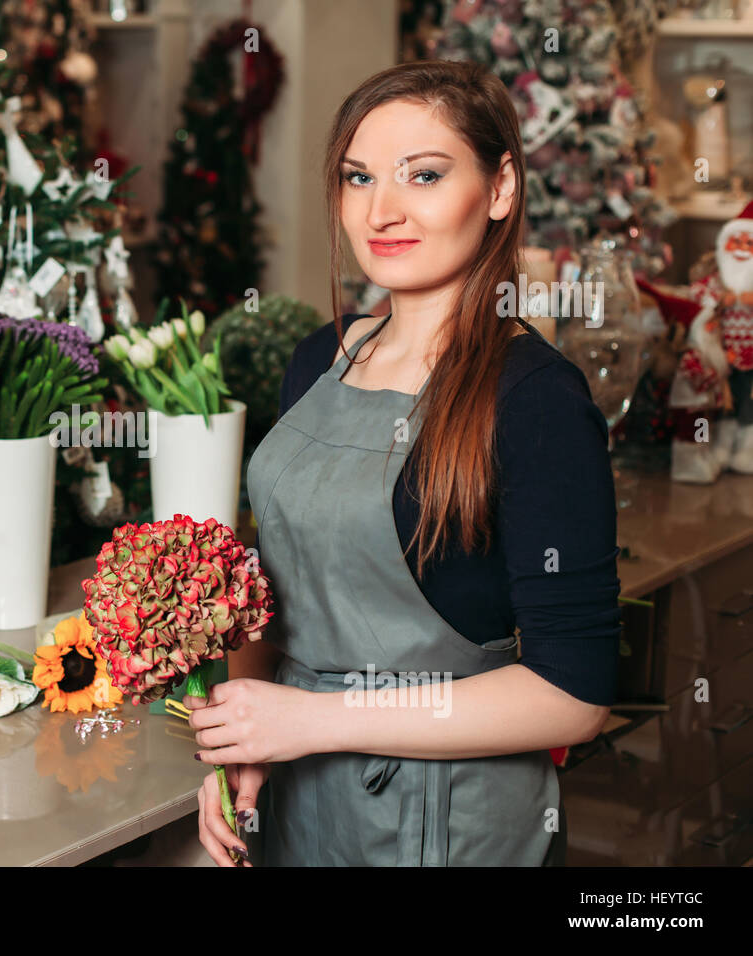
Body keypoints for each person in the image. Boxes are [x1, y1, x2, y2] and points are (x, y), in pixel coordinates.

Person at [183, 60, 621, 866]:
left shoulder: (535, 400)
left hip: (448, 827)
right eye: (358, 177)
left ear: (499, 190)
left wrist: (310, 720)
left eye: (424, 174)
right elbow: (282, 583)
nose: (382, 210)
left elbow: (575, 693)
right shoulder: (322, 356)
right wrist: (244, 724)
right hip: (298, 804)